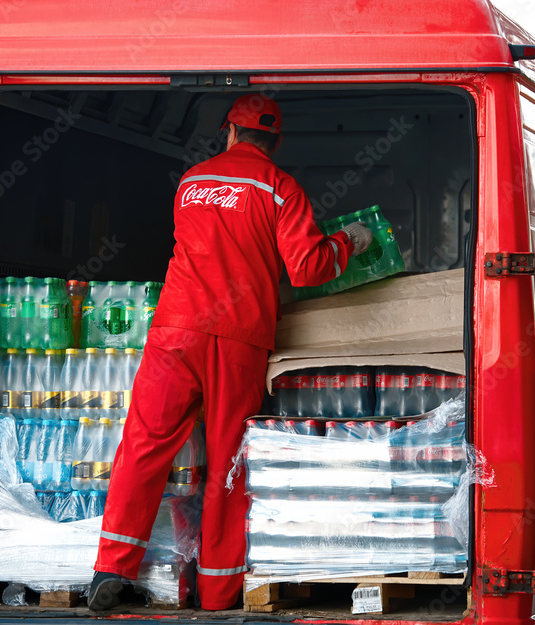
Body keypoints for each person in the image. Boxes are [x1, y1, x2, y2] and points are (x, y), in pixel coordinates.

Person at [88, 94, 374, 611]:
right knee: (226, 465)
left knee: (145, 443)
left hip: (176, 329)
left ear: (229, 132)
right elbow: (307, 268)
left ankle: (111, 568)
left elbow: (205, 242)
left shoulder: (191, 182)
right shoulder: (280, 188)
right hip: (238, 339)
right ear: (274, 141)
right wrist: (349, 241)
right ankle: (219, 593)